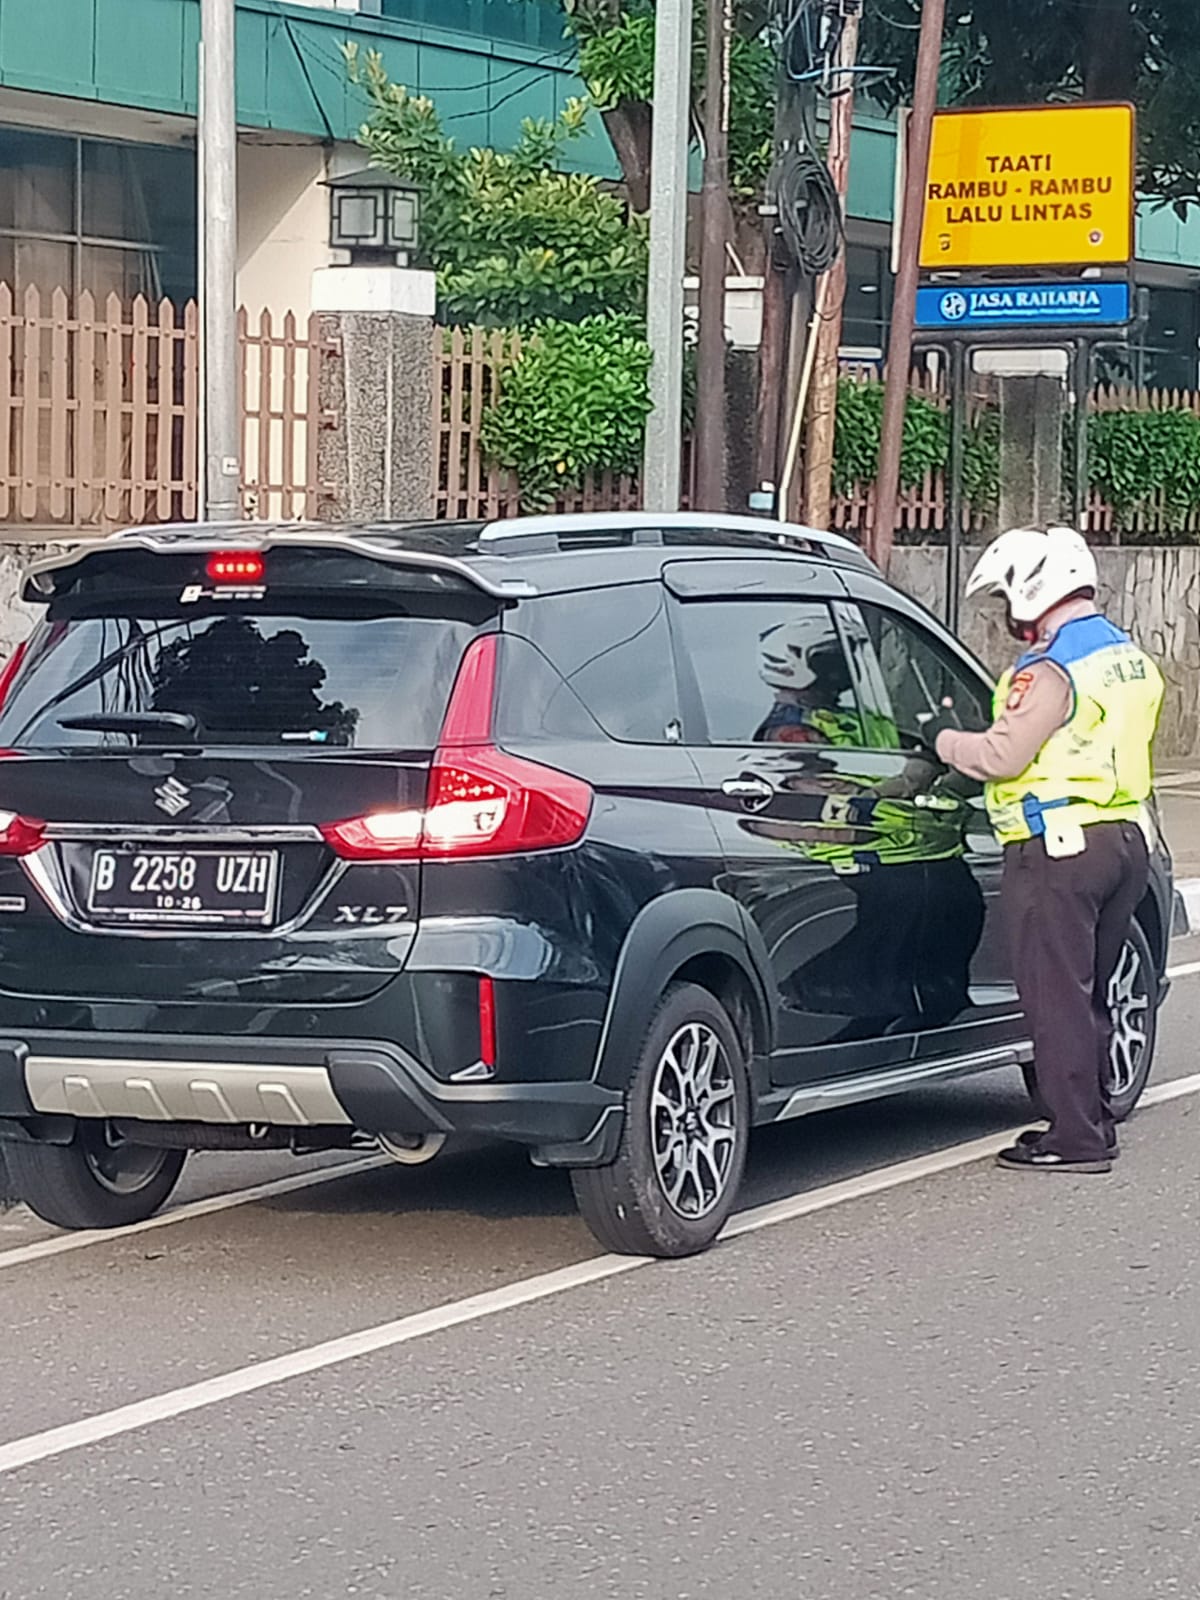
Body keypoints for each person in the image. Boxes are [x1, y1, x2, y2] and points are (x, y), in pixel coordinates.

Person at [931, 525, 1164, 1175]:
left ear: (1037, 590)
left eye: (1009, 595)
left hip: (1059, 849)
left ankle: (1076, 1139)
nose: (1007, 611)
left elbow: (1005, 755)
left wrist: (944, 743)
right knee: (1088, 993)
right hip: (1125, 842)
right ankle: (1095, 1121)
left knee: (1056, 997)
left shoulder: (1050, 668)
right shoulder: (1125, 656)